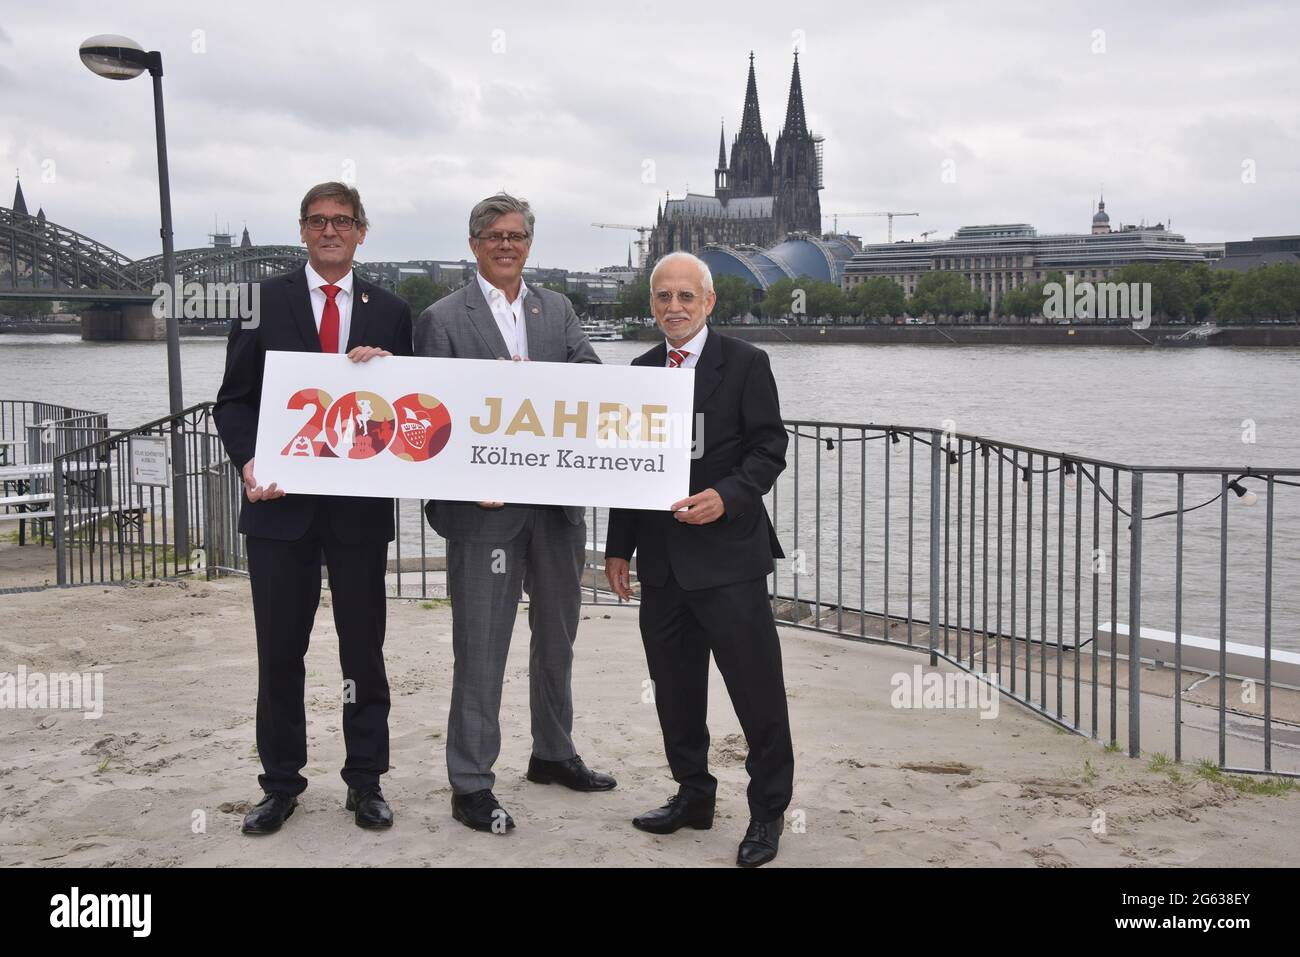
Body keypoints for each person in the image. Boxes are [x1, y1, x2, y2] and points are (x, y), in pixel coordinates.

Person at [213, 182, 413, 835]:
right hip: (279, 509)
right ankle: (279, 784)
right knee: (279, 652)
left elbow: (411, 405)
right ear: (303, 230)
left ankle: (366, 781)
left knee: (364, 650)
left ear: (361, 231)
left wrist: (387, 373)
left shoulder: (390, 310)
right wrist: (248, 462)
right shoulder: (259, 303)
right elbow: (233, 401)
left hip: (357, 510)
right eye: (318, 221)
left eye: (343, 221)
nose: (330, 231)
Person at [414, 192, 615, 833]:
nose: (507, 244)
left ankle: (553, 753)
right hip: (484, 514)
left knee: (557, 640)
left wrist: (540, 380)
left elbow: (590, 375)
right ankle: (471, 781)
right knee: (482, 649)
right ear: (473, 244)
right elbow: (426, 412)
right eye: (495, 235)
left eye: (518, 235)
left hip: (554, 508)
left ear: (530, 244)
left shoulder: (554, 307)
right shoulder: (442, 318)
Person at [604, 251, 794, 867]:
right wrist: (617, 547)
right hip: (662, 565)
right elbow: (626, 464)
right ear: (651, 304)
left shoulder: (746, 363)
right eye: (664, 297)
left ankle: (766, 814)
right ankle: (693, 794)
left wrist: (729, 496)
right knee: (675, 692)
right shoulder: (639, 370)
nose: (675, 307)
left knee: (757, 694)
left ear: (709, 302)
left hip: (730, 559)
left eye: (687, 296)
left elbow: (769, 448)